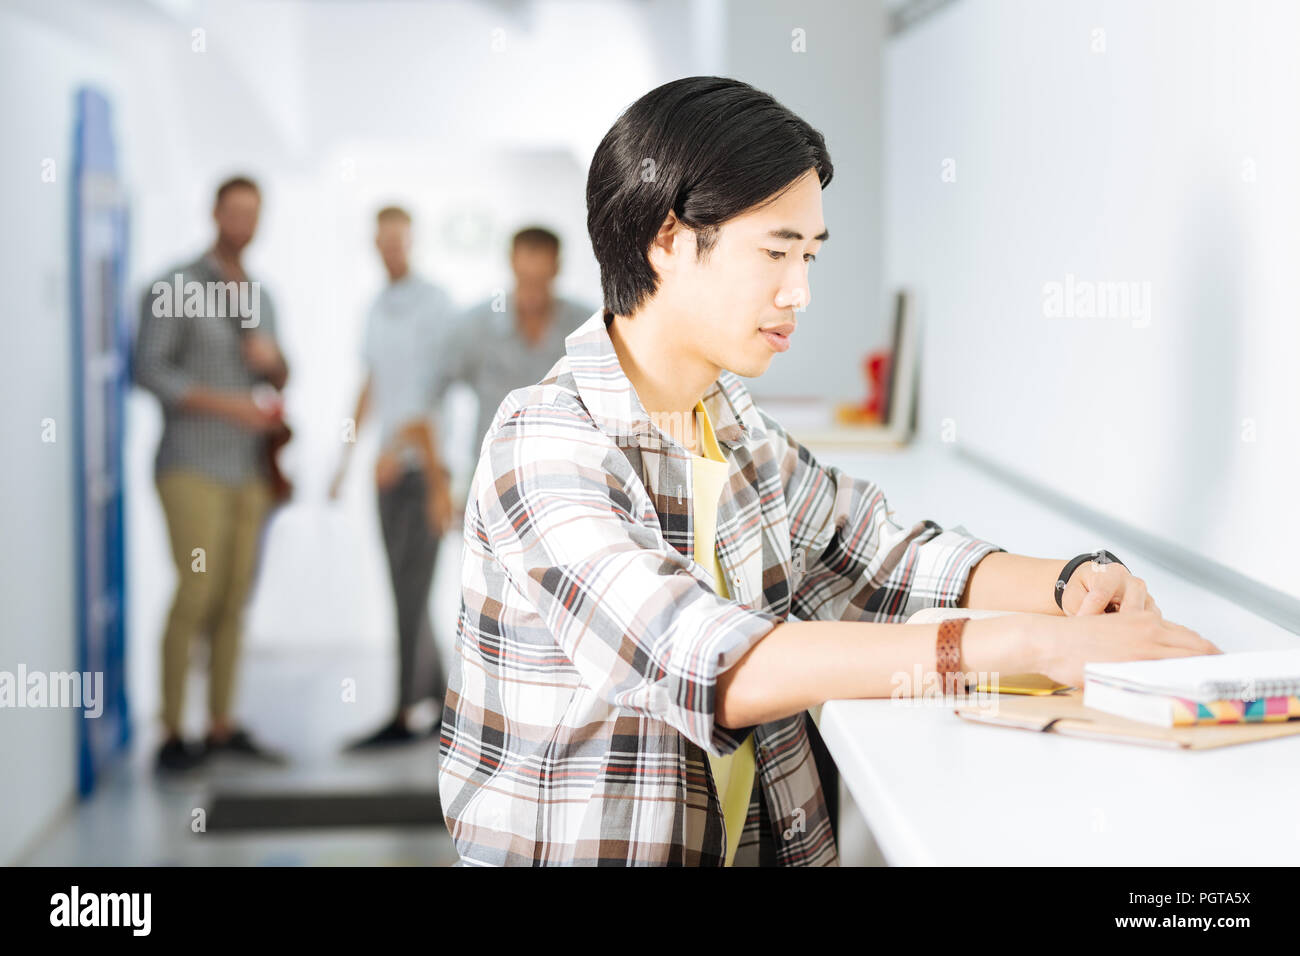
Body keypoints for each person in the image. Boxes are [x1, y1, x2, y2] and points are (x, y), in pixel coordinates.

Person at [436, 76, 1222, 867]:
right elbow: (711, 664)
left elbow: (885, 552)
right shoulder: (544, 442)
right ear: (668, 240)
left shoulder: (735, 428)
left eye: (808, 255)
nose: (800, 290)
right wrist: (1029, 646)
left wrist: (1071, 583)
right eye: (776, 251)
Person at [135, 175, 290, 772]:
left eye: (254, 213)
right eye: (235, 212)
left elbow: (280, 376)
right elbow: (150, 369)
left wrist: (274, 365)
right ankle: (173, 731)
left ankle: (221, 725)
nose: (244, 223)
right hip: (191, 464)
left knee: (232, 596)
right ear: (214, 214)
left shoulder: (262, 295)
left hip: (248, 469)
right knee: (195, 590)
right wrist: (226, 403)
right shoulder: (174, 285)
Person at [331, 206, 457, 748]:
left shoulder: (437, 306)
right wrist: (345, 459)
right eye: (382, 241)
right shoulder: (376, 308)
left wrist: (430, 479)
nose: (391, 250)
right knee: (404, 591)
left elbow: (430, 395)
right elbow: (372, 383)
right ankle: (445, 701)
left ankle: (404, 712)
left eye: (398, 241)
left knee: (413, 591)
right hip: (384, 473)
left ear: (413, 241)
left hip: (423, 469)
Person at [436, 226, 594, 458]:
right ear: (511, 264)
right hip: (493, 469)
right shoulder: (477, 324)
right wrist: (440, 468)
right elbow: (436, 389)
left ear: (557, 269)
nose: (532, 294)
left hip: (566, 468)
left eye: (540, 282)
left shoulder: (586, 327)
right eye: (526, 280)